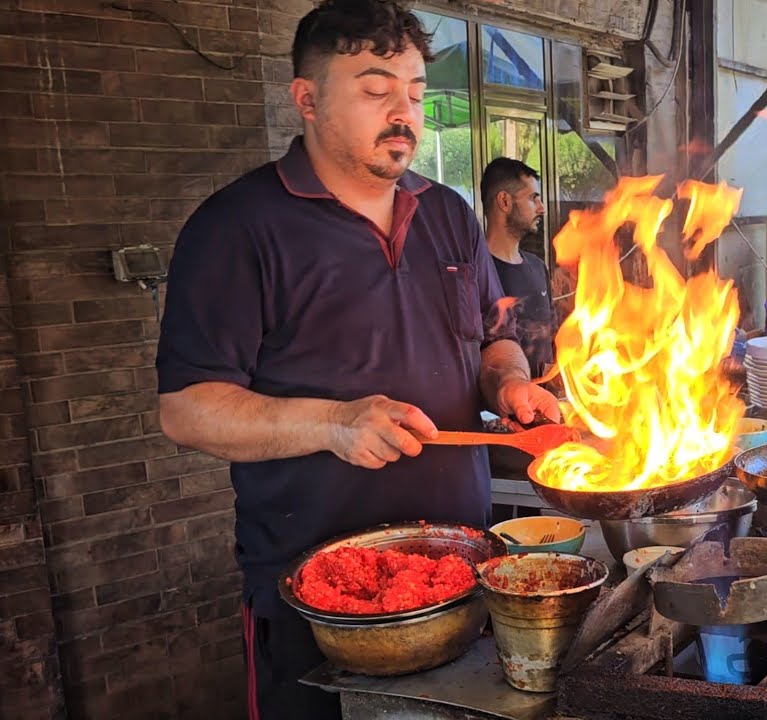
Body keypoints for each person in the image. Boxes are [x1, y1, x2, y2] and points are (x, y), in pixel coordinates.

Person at [154, 1, 560, 718]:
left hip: (461, 569)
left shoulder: (448, 214)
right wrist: (334, 423)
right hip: (318, 594)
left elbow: (490, 338)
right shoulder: (237, 227)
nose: (403, 114)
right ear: (307, 100)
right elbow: (187, 410)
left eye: (415, 93)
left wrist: (510, 382)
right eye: (375, 90)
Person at [479, 158, 556, 383]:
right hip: (498, 401)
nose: (541, 208)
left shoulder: (537, 268)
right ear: (504, 201)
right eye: (533, 198)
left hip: (544, 399)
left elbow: (553, 338)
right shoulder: (475, 271)